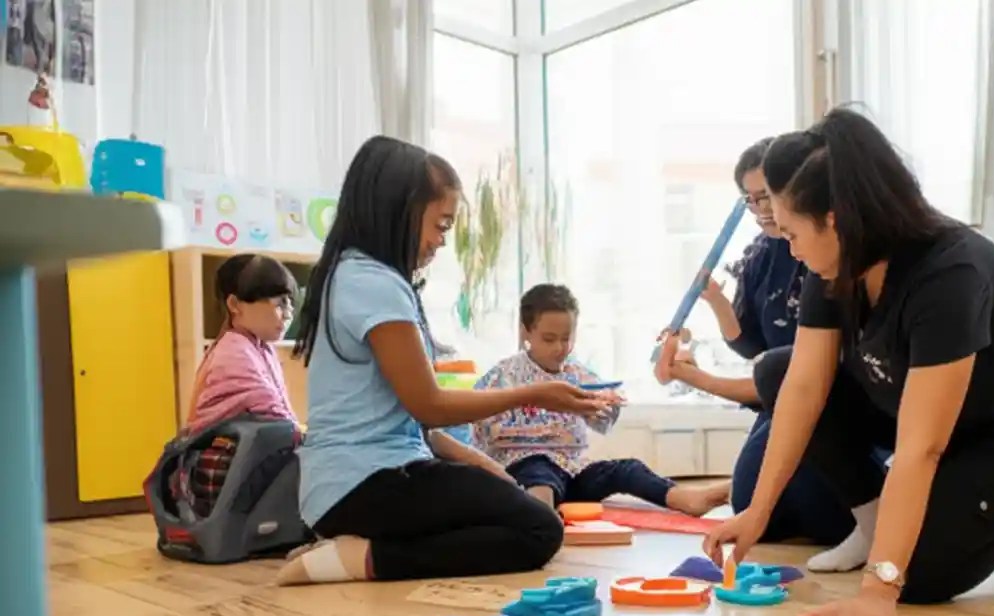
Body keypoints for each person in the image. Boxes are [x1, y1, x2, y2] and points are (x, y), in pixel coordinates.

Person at [702, 106, 994, 616]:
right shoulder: (833, 266)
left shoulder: (950, 271)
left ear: (833, 219)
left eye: (792, 232)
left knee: (916, 577)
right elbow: (805, 388)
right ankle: (876, 525)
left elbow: (921, 449)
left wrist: (880, 589)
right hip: (913, 409)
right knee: (781, 370)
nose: (792, 249)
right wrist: (755, 513)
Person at [275, 136, 614, 586]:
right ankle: (359, 559)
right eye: (441, 225)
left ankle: (353, 546)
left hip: (357, 481)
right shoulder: (373, 284)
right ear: (400, 209)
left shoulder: (353, 274)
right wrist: (539, 394)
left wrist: (486, 467)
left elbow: (418, 426)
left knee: (516, 510)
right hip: (365, 483)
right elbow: (430, 406)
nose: (440, 242)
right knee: (538, 529)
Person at [654, 138, 855, 556]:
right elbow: (755, 348)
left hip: (827, 401)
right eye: (751, 200)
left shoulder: (827, 261)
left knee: (810, 508)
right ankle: (737, 490)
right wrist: (714, 300)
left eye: (768, 197)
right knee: (754, 499)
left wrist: (699, 380)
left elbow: (799, 374)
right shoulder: (767, 252)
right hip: (785, 392)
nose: (763, 210)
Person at [474, 283, 727, 515]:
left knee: (628, 469)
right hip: (526, 470)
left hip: (573, 471)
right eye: (549, 339)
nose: (559, 348)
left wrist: (605, 408)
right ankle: (540, 519)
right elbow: (476, 424)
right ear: (525, 332)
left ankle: (686, 499)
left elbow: (602, 416)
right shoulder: (503, 375)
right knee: (538, 471)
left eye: (566, 338)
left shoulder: (578, 372)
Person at [175, 253, 300, 518]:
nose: (288, 313)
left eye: (290, 303)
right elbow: (277, 420)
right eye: (279, 303)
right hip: (221, 479)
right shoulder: (235, 350)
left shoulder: (255, 347)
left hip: (230, 472)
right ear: (235, 304)